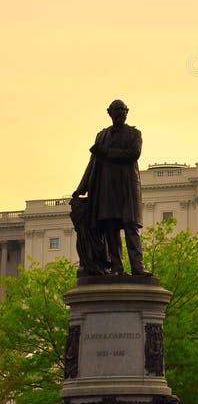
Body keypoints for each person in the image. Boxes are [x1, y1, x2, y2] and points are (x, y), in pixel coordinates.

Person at [72, 99, 149, 276]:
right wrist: (81, 188)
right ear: (109, 112)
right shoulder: (101, 136)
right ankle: (117, 267)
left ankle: (138, 267)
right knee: (111, 228)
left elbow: (133, 154)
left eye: (123, 110)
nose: (120, 113)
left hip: (127, 188)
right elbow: (92, 163)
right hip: (106, 188)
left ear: (127, 112)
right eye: (117, 110)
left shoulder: (134, 134)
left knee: (131, 227)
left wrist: (107, 152)